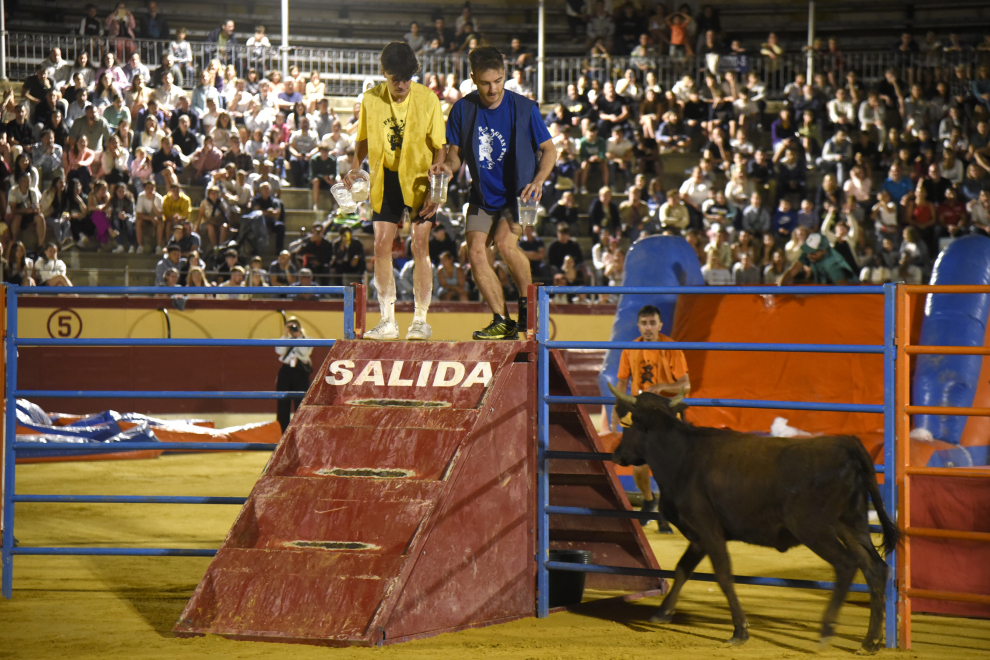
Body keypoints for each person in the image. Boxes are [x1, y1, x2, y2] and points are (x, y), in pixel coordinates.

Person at [440, 46, 555, 340]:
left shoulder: (525, 108)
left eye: (498, 81)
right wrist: (446, 168)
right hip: (481, 195)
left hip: (518, 196)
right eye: (486, 83)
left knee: (505, 244)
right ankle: (501, 320)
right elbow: (455, 156)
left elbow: (549, 149)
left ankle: (528, 308)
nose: (493, 89)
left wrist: (539, 180)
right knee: (475, 252)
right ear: (473, 79)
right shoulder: (463, 109)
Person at [346, 42, 447, 341]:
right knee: (380, 246)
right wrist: (355, 166)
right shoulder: (370, 99)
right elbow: (362, 138)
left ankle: (420, 319)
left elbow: (440, 147)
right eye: (395, 79)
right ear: (383, 73)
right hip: (386, 176)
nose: (401, 84)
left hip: (419, 179)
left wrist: (436, 186)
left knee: (420, 246)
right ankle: (387, 319)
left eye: (407, 78)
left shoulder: (428, 99)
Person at [611, 305, 689, 533]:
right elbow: (622, 383)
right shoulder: (630, 349)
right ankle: (648, 499)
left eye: (652, 323)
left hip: (666, 411)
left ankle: (665, 512)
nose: (648, 328)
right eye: (644, 323)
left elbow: (686, 383)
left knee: (667, 466)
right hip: (638, 413)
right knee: (638, 466)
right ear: (638, 326)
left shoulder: (672, 347)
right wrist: (617, 411)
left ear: (660, 325)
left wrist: (663, 386)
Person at [275, 316, 313, 432]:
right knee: (283, 404)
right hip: (286, 371)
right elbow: (279, 351)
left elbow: (304, 352)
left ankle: (299, 431)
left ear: (300, 328)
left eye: (295, 326)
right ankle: (283, 433)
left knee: (300, 403)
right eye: (290, 327)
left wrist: (298, 337)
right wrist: (285, 334)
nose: (293, 329)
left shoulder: (308, 340)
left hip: (300, 372)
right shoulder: (285, 340)